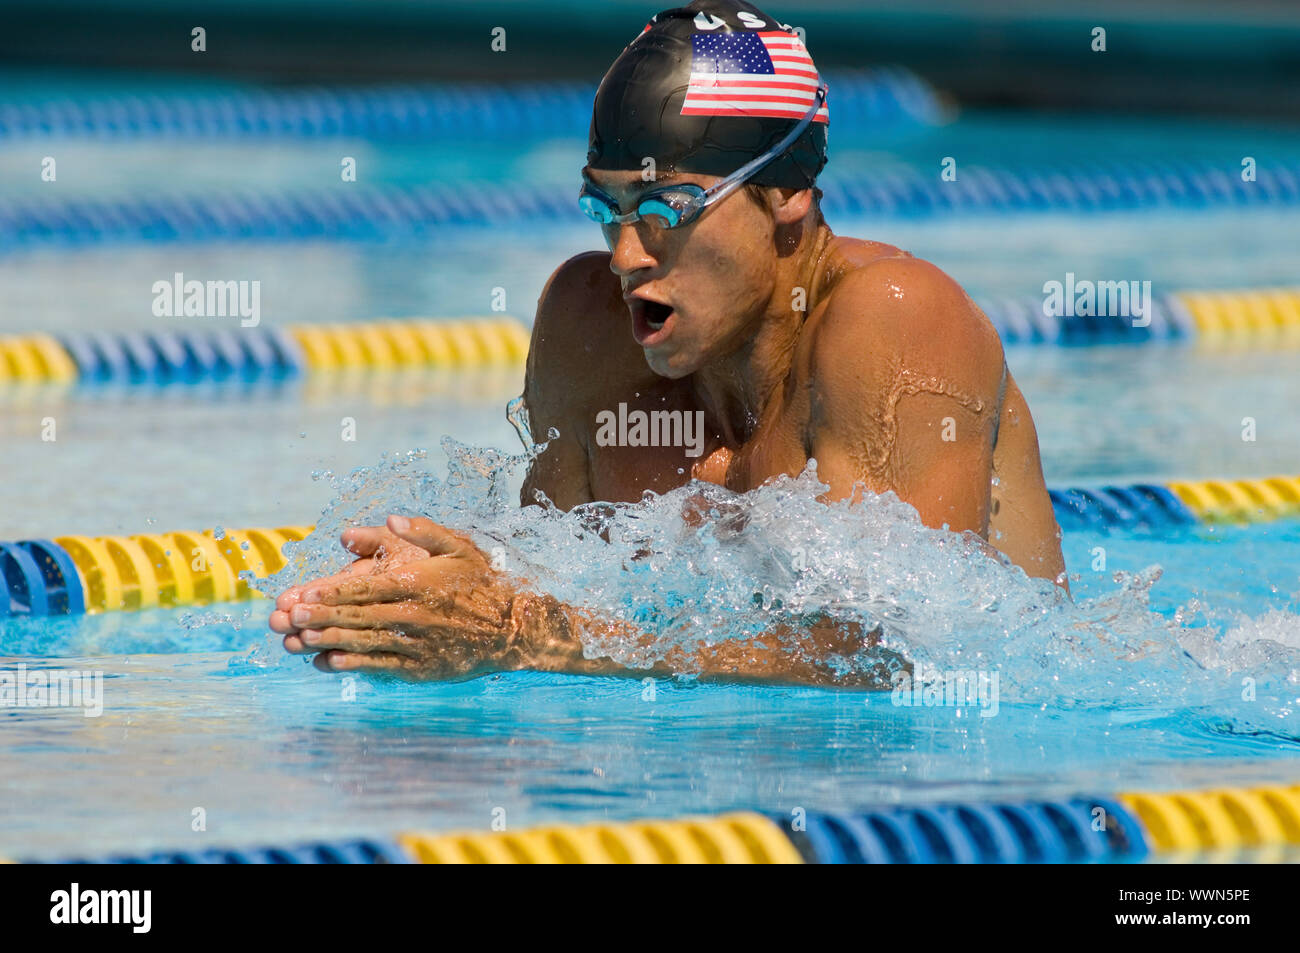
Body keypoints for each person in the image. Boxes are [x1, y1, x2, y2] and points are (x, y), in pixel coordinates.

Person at [270, 0, 1066, 687]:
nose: (625, 254)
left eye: (666, 206)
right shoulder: (589, 326)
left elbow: (902, 655)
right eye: (608, 208)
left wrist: (528, 633)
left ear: (786, 190)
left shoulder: (896, 320)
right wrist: (426, 593)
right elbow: (550, 578)